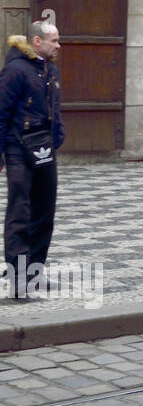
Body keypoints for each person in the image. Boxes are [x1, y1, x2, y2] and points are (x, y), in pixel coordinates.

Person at [0, 22, 64, 299]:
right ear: (36, 41)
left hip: (44, 150)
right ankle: (17, 277)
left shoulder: (50, 69)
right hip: (17, 150)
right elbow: (1, 114)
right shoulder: (15, 71)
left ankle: (35, 272)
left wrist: (58, 136)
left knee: (44, 213)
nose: (58, 45)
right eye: (54, 40)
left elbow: (54, 111)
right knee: (20, 213)